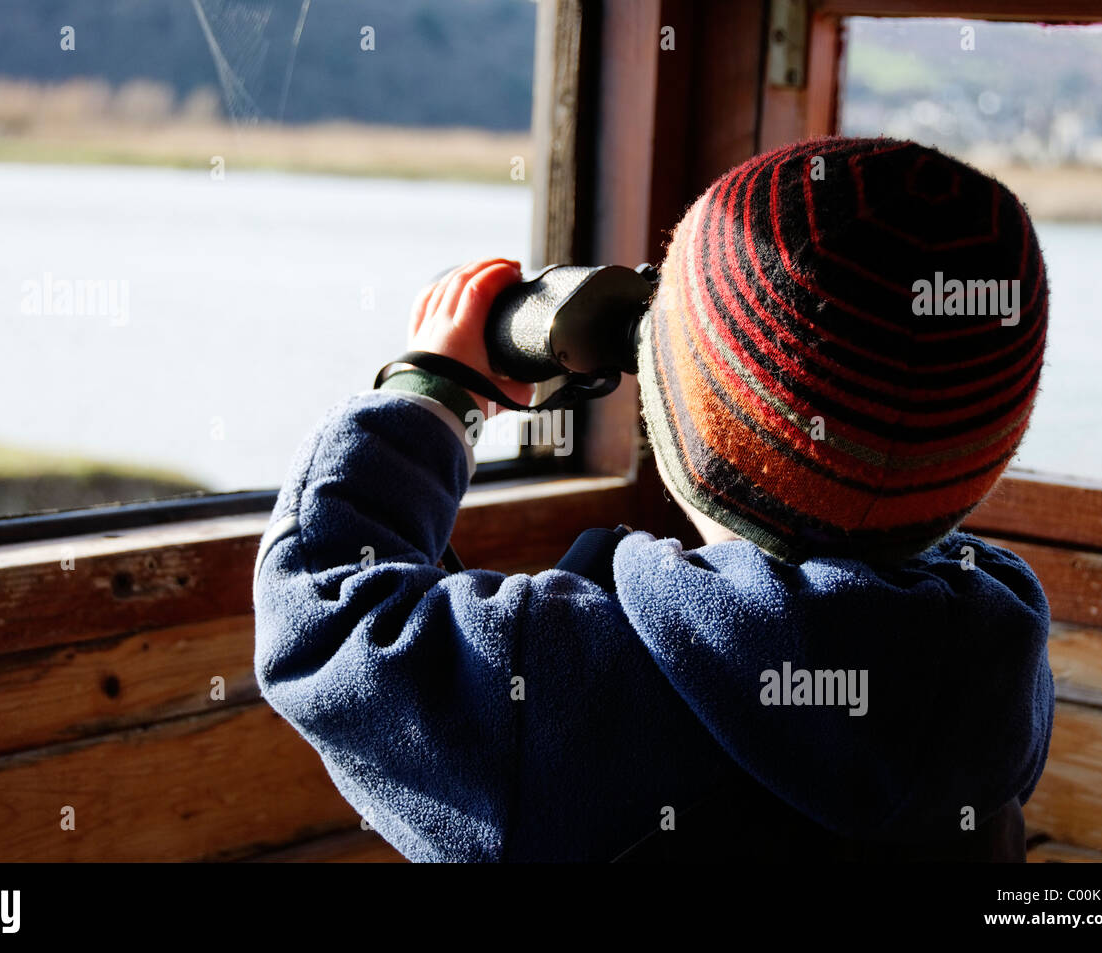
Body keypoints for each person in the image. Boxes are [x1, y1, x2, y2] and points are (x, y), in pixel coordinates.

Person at [253, 137, 1054, 862]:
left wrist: (433, 393)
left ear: (688, 419)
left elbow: (321, 617)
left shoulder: (564, 694)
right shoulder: (994, 665)